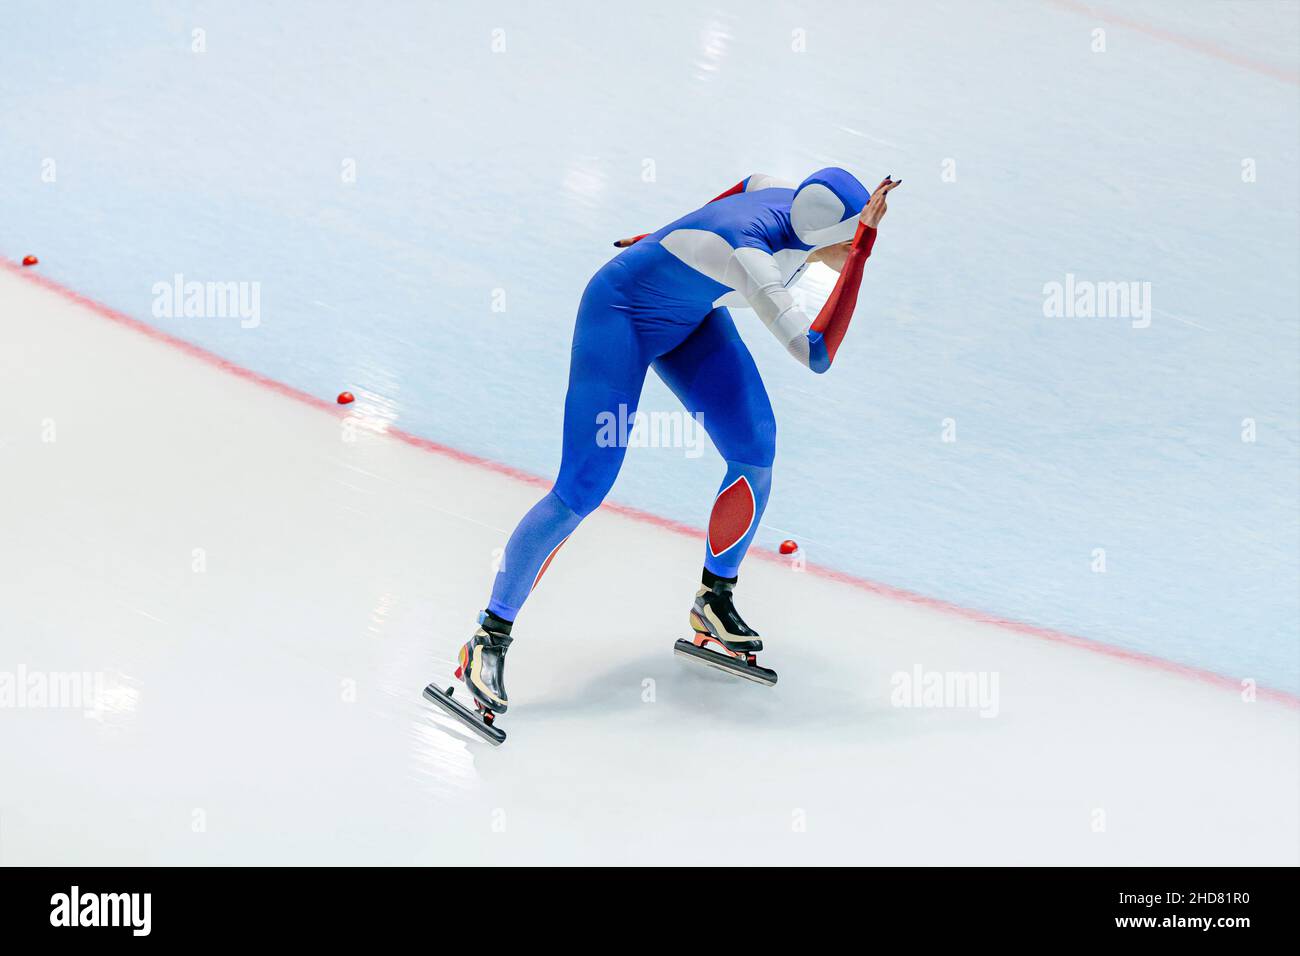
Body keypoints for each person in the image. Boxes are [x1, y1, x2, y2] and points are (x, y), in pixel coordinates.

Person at [452, 168, 901, 719]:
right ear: (829, 230)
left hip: (691, 316)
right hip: (620, 314)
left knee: (754, 447)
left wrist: (664, 239)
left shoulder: (783, 198)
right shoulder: (752, 260)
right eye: (854, 235)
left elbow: (743, 186)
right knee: (584, 486)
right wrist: (861, 253)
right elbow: (816, 353)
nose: (859, 244)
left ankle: (714, 599)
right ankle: (487, 639)